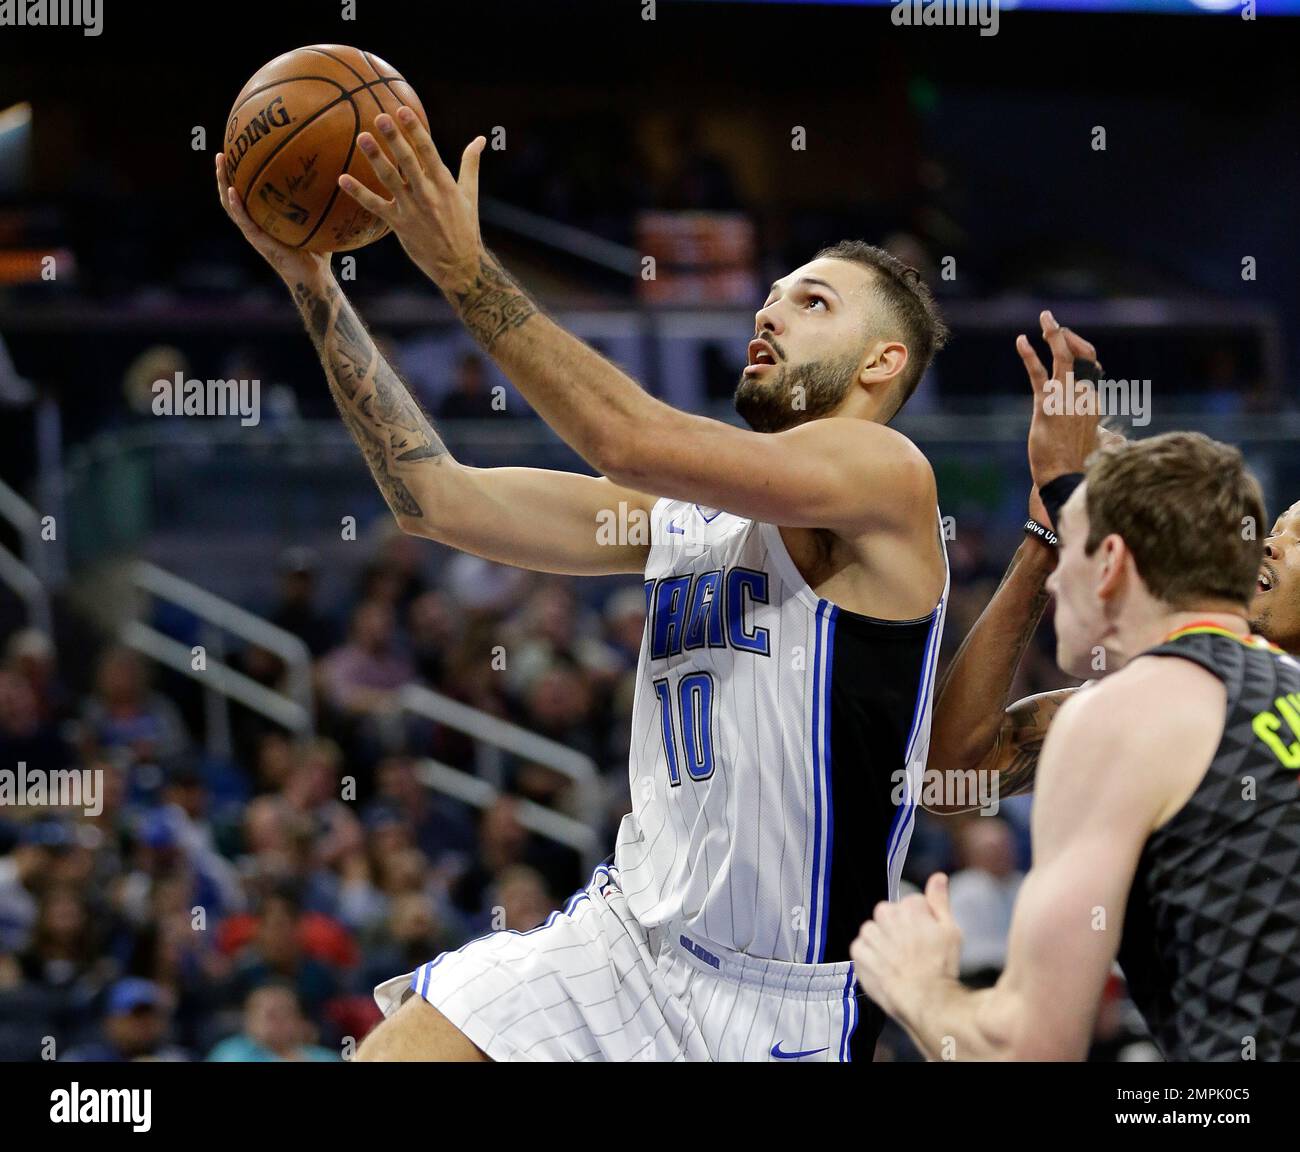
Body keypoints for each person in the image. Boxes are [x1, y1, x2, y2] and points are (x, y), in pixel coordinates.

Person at [215, 107, 950, 1062]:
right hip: (619, 946)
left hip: (778, 1001)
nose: (767, 312)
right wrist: (313, 286)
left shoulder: (886, 478)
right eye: (770, 296)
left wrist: (461, 269)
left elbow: (628, 438)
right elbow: (433, 498)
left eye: (812, 303)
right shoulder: (677, 517)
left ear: (882, 362)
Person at [852, 429, 1300, 1060]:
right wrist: (1048, 539)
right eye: (1276, 524)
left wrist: (916, 984)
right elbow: (954, 774)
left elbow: (1028, 1049)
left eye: (1299, 538)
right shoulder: (1153, 704)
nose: (1273, 543)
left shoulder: (1123, 716)